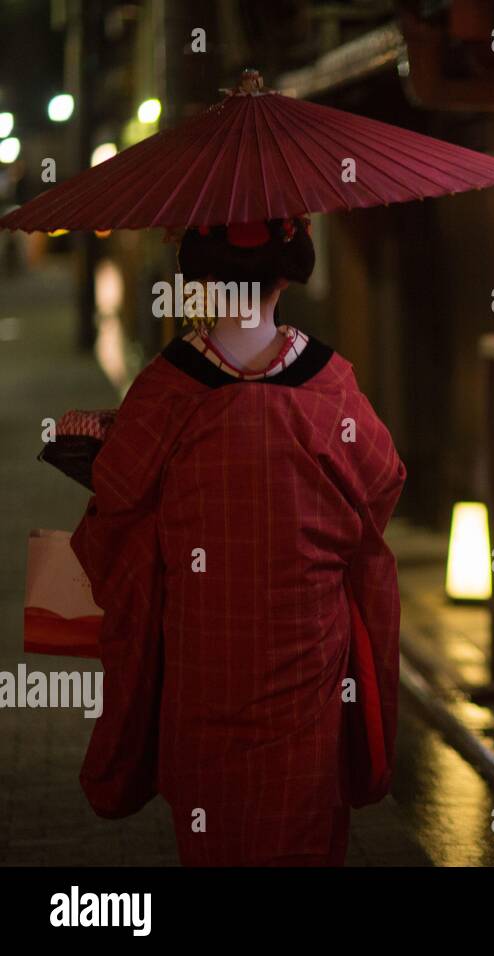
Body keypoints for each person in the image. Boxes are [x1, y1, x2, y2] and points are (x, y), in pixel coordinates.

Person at [70, 217, 406, 866]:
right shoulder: (330, 381)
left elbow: (116, 498)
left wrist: (107, 443)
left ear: (200, 278)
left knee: (213, 829)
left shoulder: (167, 386)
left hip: (206, 659)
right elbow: (382, 484)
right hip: (307, 658)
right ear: (288, 273)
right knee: (303, 826)